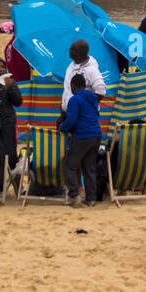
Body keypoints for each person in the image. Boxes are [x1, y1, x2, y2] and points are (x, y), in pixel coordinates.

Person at [58, 73, 101, 207]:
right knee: (89, 167)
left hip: (82, 136)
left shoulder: (74, 100)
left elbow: (72, 121)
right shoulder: (93, 99)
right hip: (96, 136)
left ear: (73, 86)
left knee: (68, 165)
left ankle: (74, 195)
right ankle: (91, 199)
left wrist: (62, 128)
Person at [61, 39, 106, 110]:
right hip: (69, 115)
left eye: (73, 49)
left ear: (80, 52)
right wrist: (63, 109)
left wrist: (86, 108)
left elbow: (101, 92)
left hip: (82, 117)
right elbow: (67, 89)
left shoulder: (92, 70)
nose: (69, 50)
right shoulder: (70, 66)